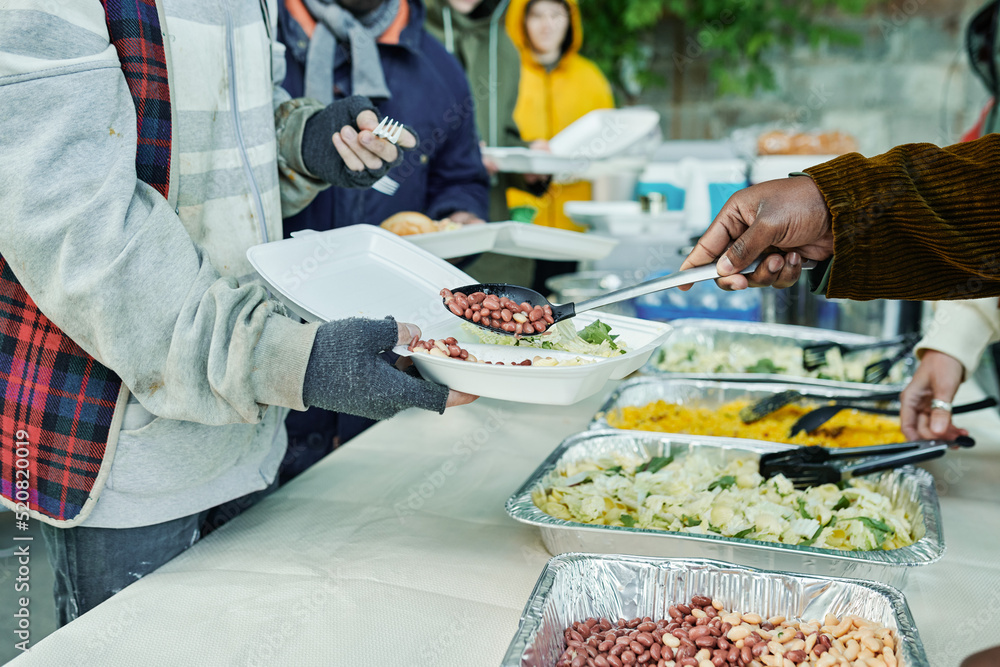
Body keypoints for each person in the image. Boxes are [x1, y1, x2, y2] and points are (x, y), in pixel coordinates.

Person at [0, 0, 473, 625]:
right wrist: (283, 358)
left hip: (248, 429)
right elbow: (72, 225)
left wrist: (300, 138)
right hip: (123, 453)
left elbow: (233, 115)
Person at [277, 0, 491, 233]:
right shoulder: (253, 45)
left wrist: (459, 218)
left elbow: (460, 179)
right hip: (274, 266)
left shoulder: (441, 69)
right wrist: (303, 142)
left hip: (394, 268)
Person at [504, 0, 614, 292]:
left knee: (561, 308)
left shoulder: (590, 78)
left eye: (556, 15)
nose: (547, 24)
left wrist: (601, 223)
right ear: (522, 20)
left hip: (572, 226)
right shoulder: (505, 72)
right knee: (514, 308)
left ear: (569, 20)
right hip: (518, 223)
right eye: (537, 15)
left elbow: (608, 156)